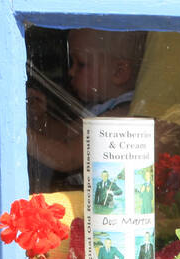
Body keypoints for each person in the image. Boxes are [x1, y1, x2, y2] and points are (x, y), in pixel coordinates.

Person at [28, 30, 147, 177]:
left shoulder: (122, 115)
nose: (71, 72)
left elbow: (68, 157)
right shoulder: (100, 108)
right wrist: (40, 119)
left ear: (119, 72)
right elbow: (66, 133)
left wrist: (24, 136)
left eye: (81, 64)